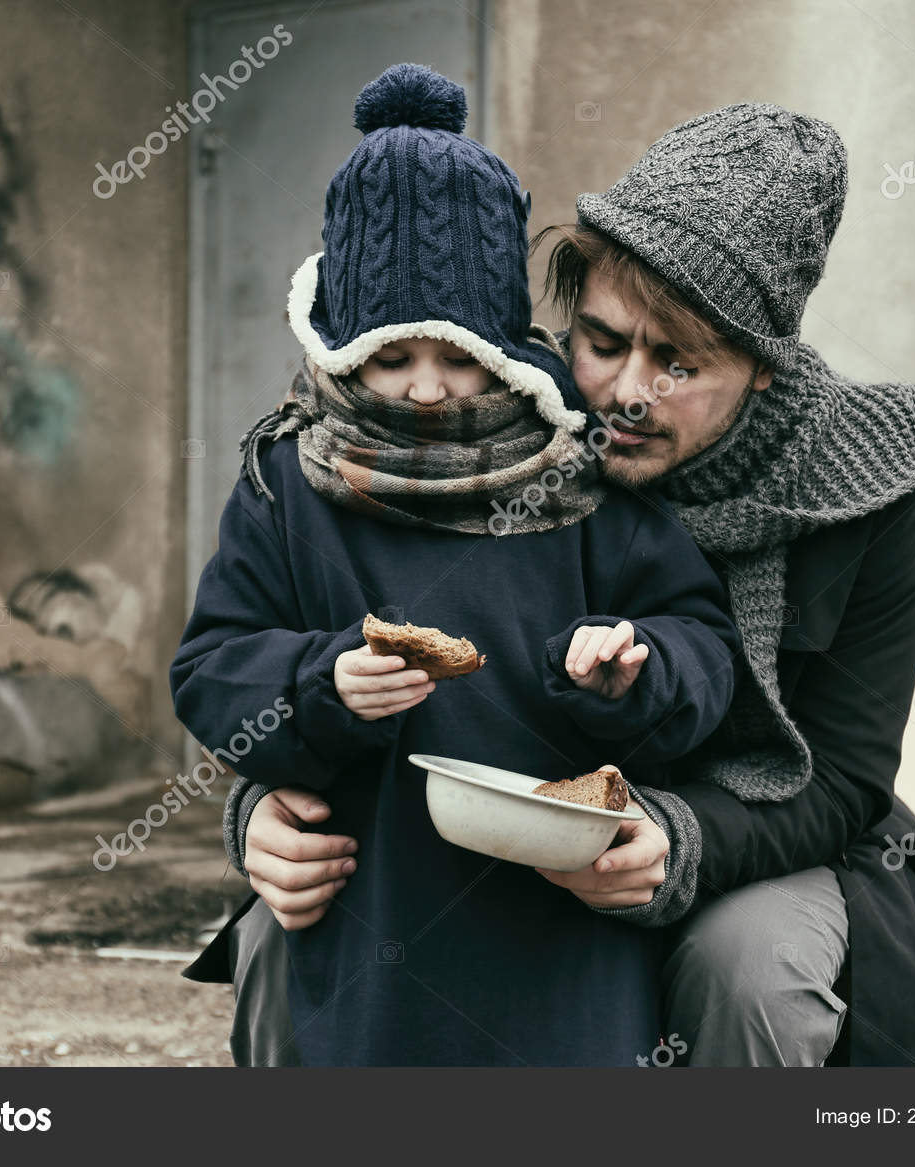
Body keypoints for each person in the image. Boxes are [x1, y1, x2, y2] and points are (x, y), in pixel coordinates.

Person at [195, 98, 915, 1068]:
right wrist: (258, 810)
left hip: (750, 829)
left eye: (679, 363)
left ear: (760, 371)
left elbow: (844, 776)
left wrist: (681, 839)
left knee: (748, 970)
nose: (627, 392)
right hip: (501, 831)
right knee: (274, 939)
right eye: (606, 342)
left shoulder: (859, 494)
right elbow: (279, 637)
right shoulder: (518, 439)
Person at [170, 64, 740, 1066]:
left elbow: (705, 646)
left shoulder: (582, 473)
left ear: (507, 343)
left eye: (460, 355)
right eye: (391, 358)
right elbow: (212, 669)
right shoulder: (290, 482)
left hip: (563, 931)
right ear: (340, 344)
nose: (428, 389)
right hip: (370, 922)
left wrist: (636, 666)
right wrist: (319, 684)